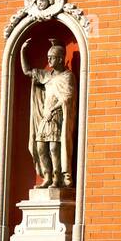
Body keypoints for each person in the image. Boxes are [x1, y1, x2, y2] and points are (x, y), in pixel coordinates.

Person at [20, 37, 76, 190]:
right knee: (40, 148)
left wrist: (53, 109)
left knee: (54, 148)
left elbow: (67, 97)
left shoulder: (67, 76)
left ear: (59, 59)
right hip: (45, 117)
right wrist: (22, 51)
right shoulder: (47, 76)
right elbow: (27, 71)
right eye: (48, 58)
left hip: (57, 116)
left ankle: (57, 178)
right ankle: (47, 176)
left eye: (51, 58)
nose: (49, 61)